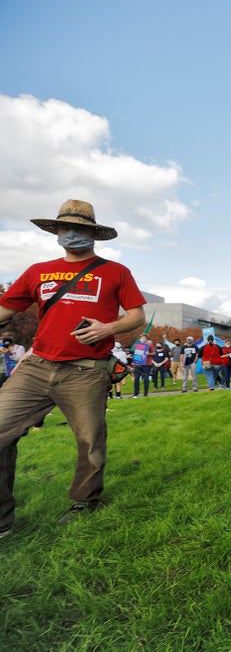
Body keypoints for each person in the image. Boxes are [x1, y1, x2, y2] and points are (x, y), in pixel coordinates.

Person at [0, 199, 145, 535]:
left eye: (79, 228)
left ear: (92, 233)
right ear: (57, 231)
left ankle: (85, 501)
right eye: (66, 228)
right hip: (36, 366)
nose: (71, 234)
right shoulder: (38, 271)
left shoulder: (116, 272)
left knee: (90, 440)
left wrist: (108, 328)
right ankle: (2, 520)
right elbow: (6, 309)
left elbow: (136, 315)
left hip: (87, 369)